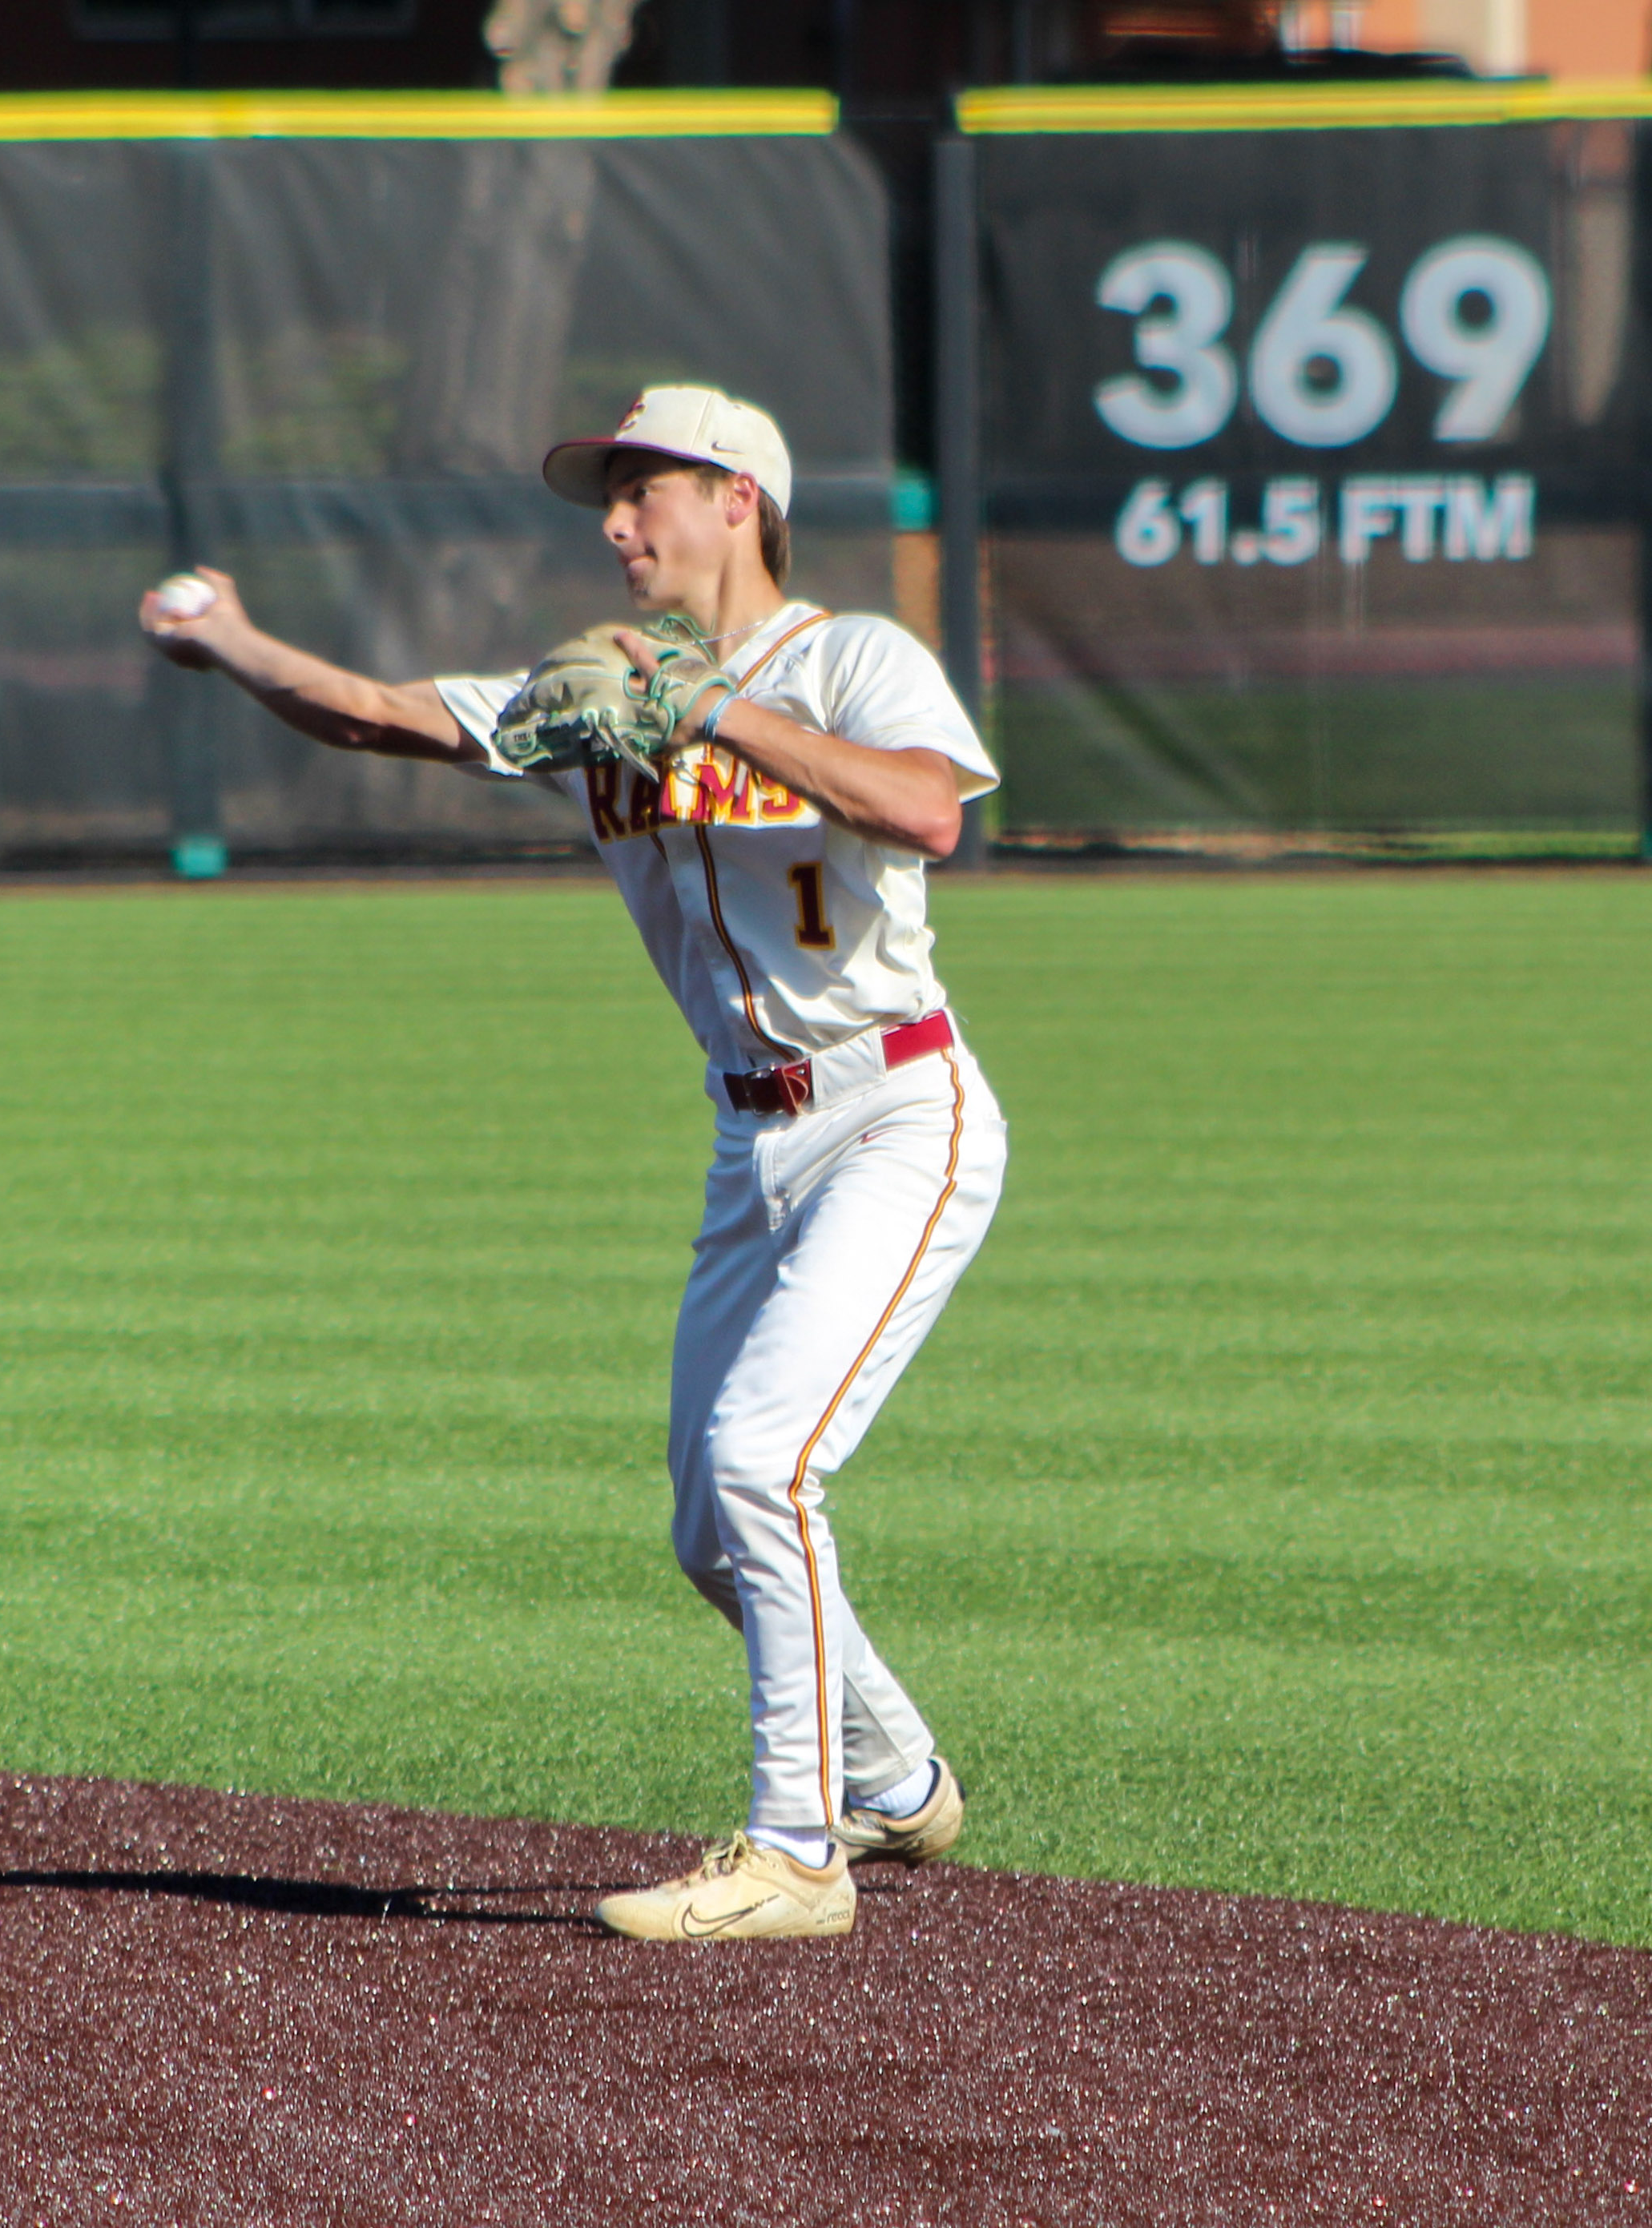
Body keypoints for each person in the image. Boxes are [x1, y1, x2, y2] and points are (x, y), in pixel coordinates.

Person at [139, 385, 1009, 1942]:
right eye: (606, 496)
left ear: (739, 496)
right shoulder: (596, 688)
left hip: (898, 1110)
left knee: (764, 1461)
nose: (615, 523)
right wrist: (236, 641)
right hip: (750, 1139)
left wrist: (718, 712)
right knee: (707, 1520)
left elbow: (929, 811)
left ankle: (799, 1852)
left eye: (644, 488)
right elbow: (385, 712)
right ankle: (889, 1775)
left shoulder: (852, 658)